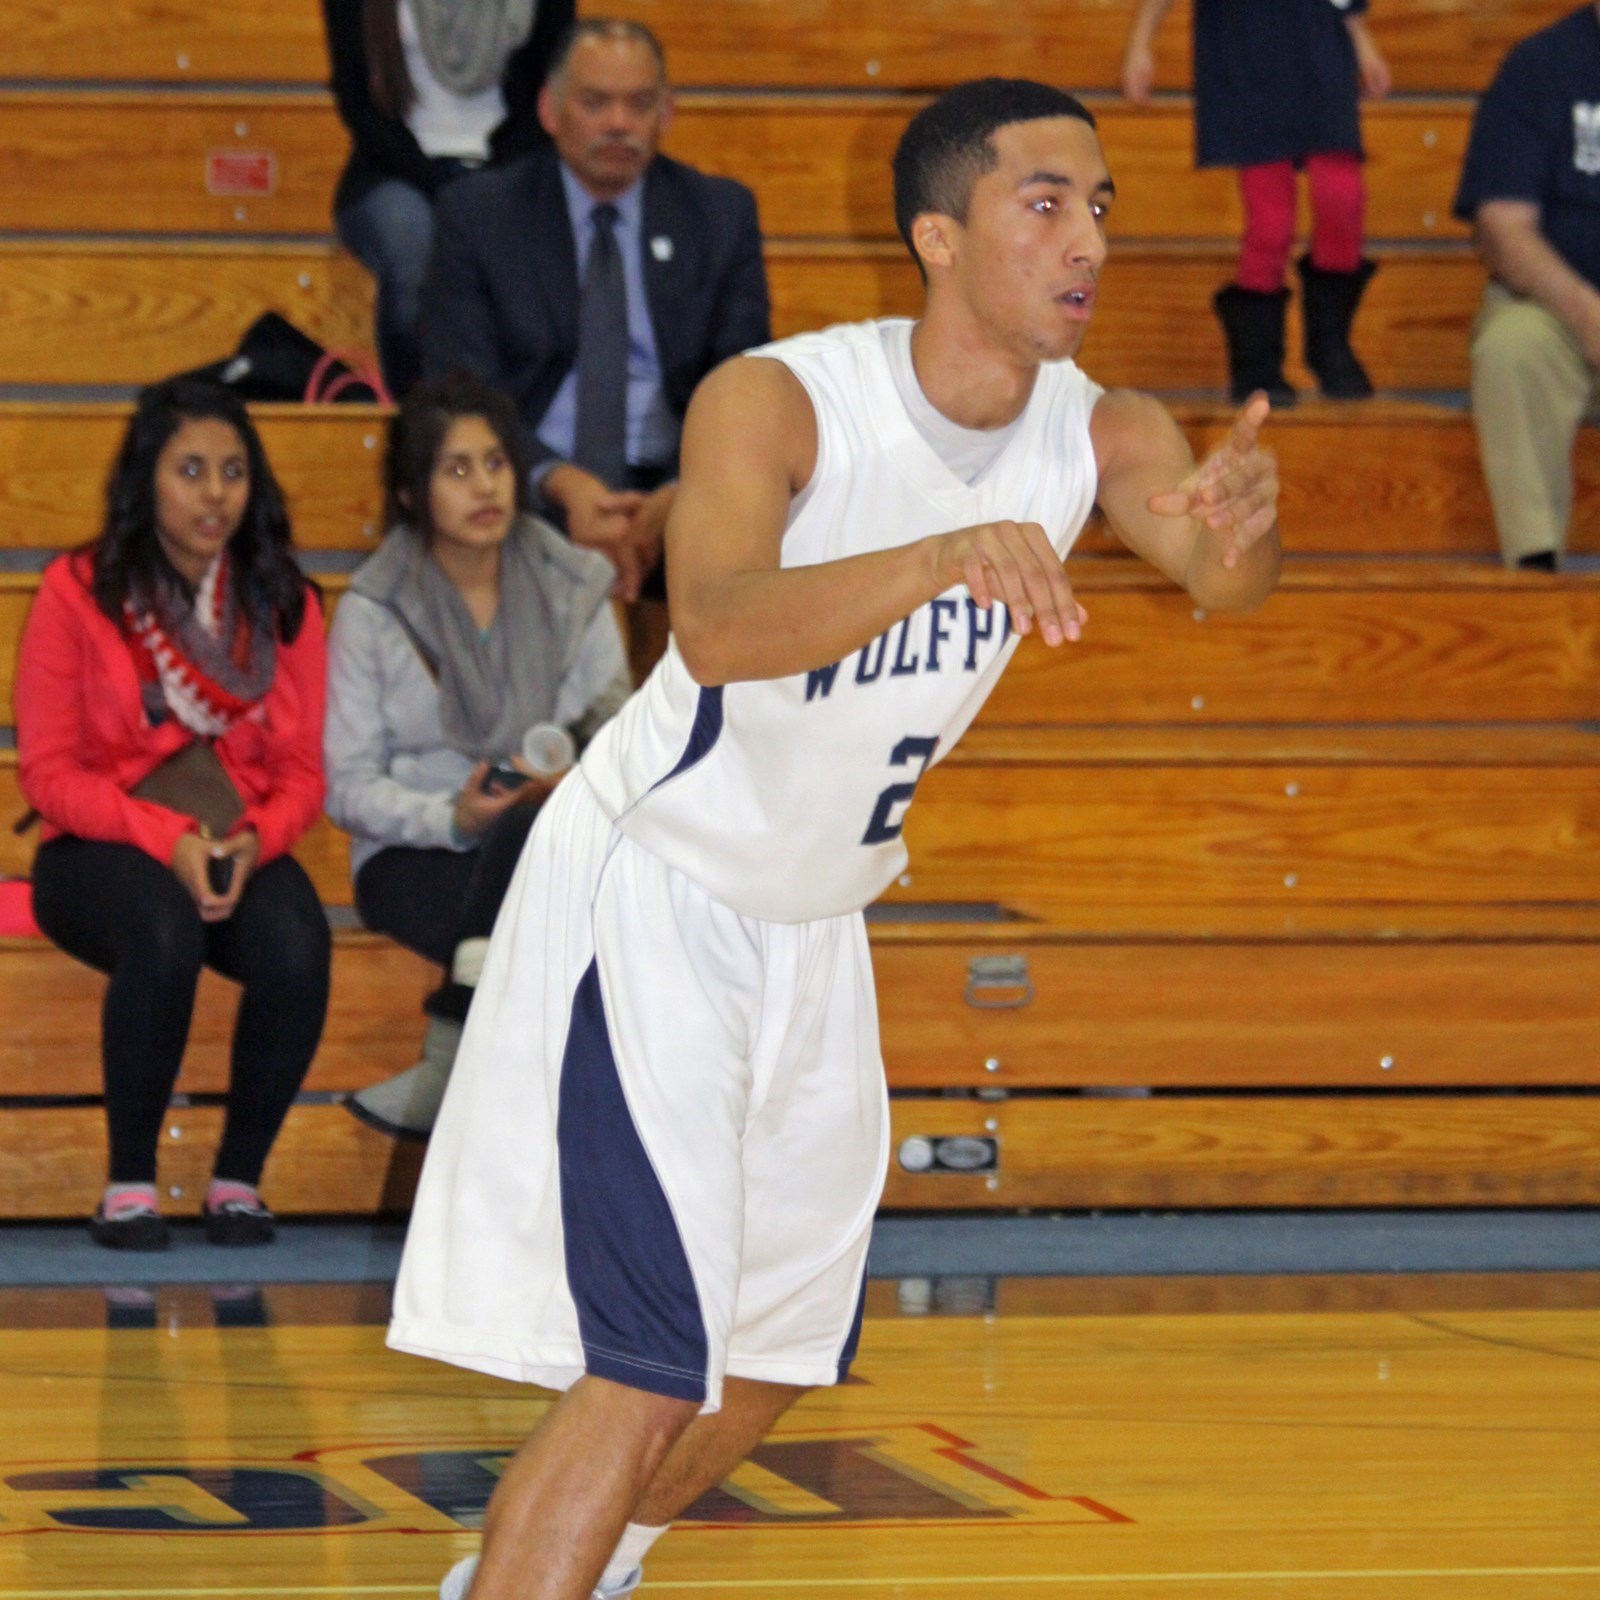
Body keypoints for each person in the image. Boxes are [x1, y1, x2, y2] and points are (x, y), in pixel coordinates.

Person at [387, 77, 1281, 1600]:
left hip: (815, 921)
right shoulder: (779, 398)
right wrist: (939, 553)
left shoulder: (1103, 425)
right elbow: (721, 627)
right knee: (650, 1358)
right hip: (656, 889)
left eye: (1104, 206)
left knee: (777, 1354)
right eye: (1045, 202)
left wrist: (1246, 521)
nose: (1090, 239)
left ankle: (548, 1572)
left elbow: (1210, 570)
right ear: (938, 236)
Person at [15, 380, 330, 1252]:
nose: (214, 494)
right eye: (190, 470)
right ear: (146, 479)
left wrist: (252, 840)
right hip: (100, 841)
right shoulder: (78, 591)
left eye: (232, 472)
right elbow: (47, 775)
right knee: (163, 932)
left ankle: (238, 1181)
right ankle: (127, 1184)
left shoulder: (284, 600)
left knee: (300, 942)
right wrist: (172, 839)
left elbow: (304, 771)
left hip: (235, 833)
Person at [325, 371, 629, 1138]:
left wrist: (569, 779)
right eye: (456, 470)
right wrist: (451, 815)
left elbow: (620, 731)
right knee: (535, 875)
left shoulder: (570, 579)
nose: (484, 486)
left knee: (535, 836)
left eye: (495, 463)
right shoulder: (374, 606)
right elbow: (349, 786)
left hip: (557, 841)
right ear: (409, 494)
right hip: (416, 854)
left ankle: (451, 1059)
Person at [419, 18, 772, 604]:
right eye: (595, 103)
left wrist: (682, 492)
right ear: (550, 110)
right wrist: (558, 484)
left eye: (639, 104)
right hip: (525, 485)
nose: (618, 123)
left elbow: (743, 385)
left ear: (667, 113)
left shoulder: (719, 216)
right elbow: (457, 389)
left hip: (678, 491)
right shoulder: (480, 217)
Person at [1122, 0, 1392, 404]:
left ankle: (1331, 346)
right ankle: (1258, 367)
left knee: (1343, 199)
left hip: (1319, 50)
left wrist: (1363, 42)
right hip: (1247, 57)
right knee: (1270, 223)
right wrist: (1141, 43)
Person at [323, 0, 576, 395]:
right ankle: (419, 416)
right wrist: (434, 179)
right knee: (412, 251)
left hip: (511, 167)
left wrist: (485, 185)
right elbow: (356, 98)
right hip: (395, 170)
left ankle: (509, 420)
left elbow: (553, 87)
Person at [1453, 2, 1600, 571]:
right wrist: (1587, 312)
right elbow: (1502, 226)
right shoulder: (1540, 66)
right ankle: (1534, 569)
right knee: (1511, 348)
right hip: (1553, 308)